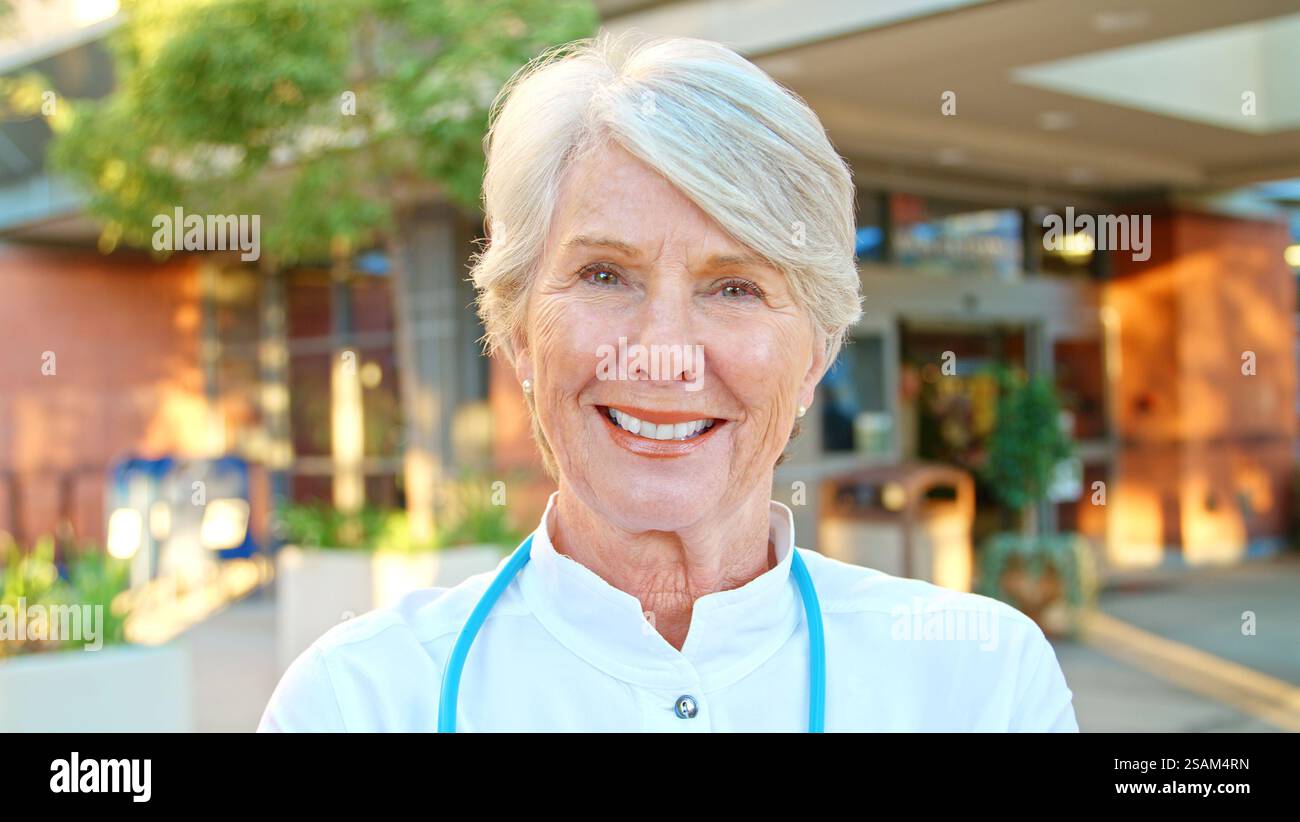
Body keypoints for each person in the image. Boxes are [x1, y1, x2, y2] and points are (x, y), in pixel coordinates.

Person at [259, 31, 1078, 732]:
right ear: (516, 332)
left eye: (735, 288)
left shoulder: (979, 685)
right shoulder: (358, 703)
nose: (663, 355)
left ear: (818, 355)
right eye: (605, 275)